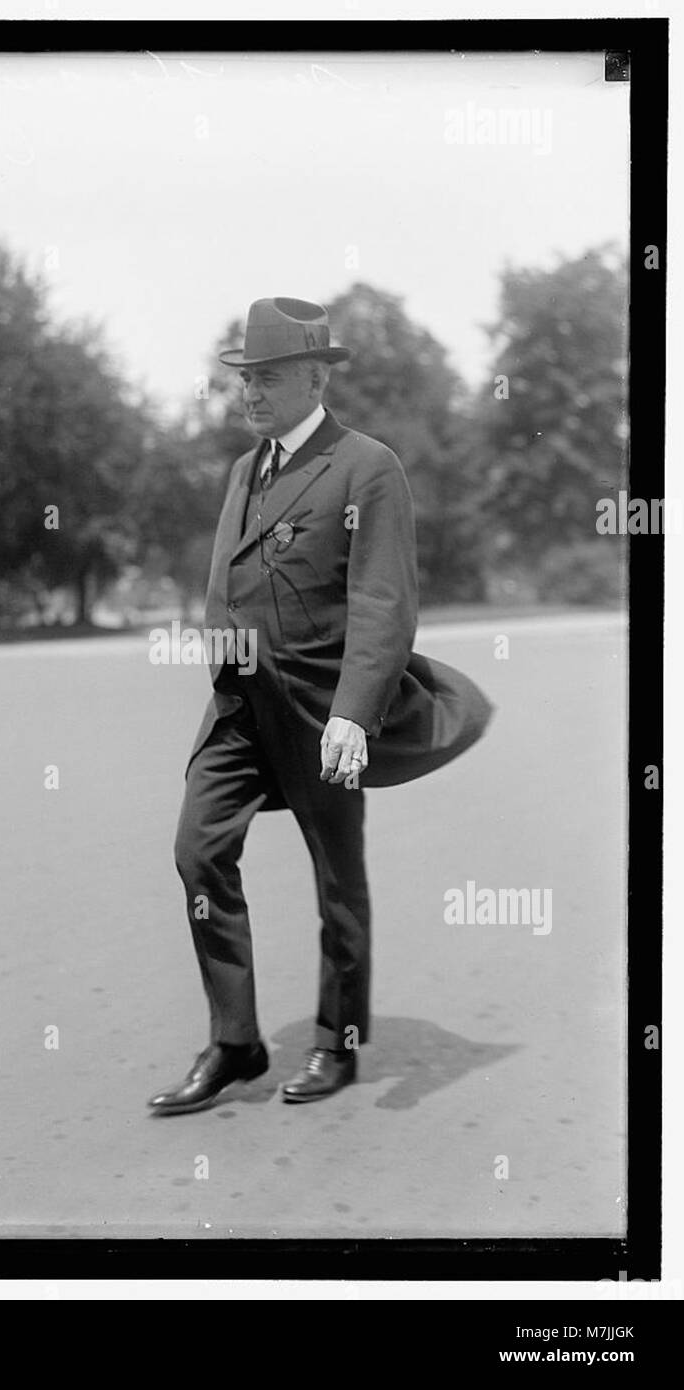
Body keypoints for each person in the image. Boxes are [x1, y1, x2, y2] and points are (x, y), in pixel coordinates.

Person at [149, 297, 492, 1115]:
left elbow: (382, 601)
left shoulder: (365, 466)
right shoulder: (244, 470)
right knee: (197, 851)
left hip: (320, 711)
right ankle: (235, 1043)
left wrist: (352, 712)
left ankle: (335, 1042)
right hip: (241, 710)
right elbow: (226, 583)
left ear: (312, 376)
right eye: (244, 379)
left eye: (267, 378)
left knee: (337, 880)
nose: (251, 394)